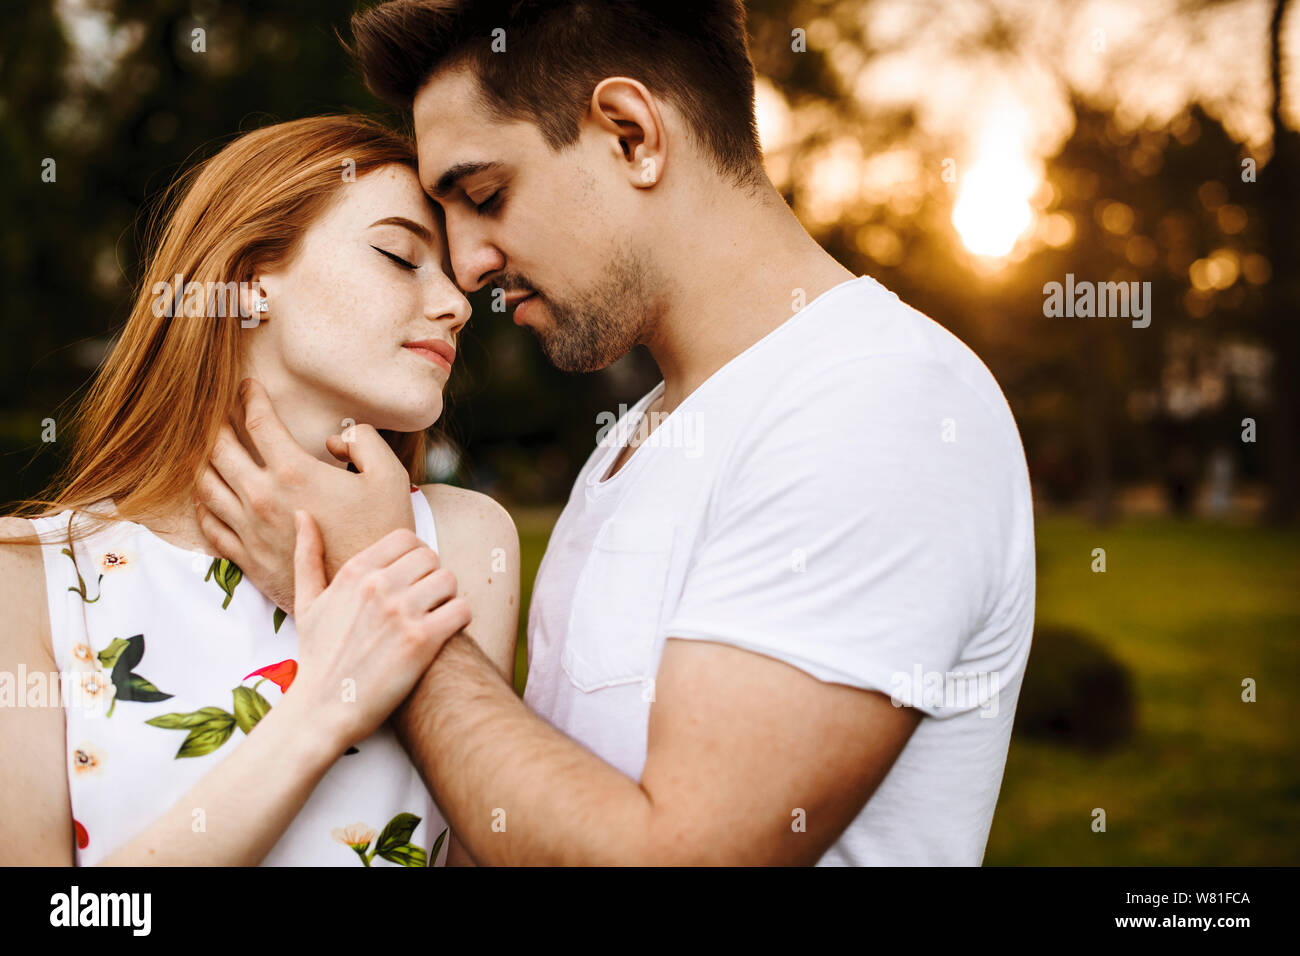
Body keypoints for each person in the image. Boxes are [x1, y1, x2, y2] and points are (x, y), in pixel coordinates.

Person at [202, 0, 1037, 865]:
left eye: (485, 195)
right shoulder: (638, 437)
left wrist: (381, 602)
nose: (468, 265)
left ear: (632, 135)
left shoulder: (879, 406)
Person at [0, 114, 517, 866]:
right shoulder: (30, 579)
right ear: (246, 284)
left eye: (455, 275)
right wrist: (318, 711)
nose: (457, 304)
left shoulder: (464, 542)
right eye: (401, 255)